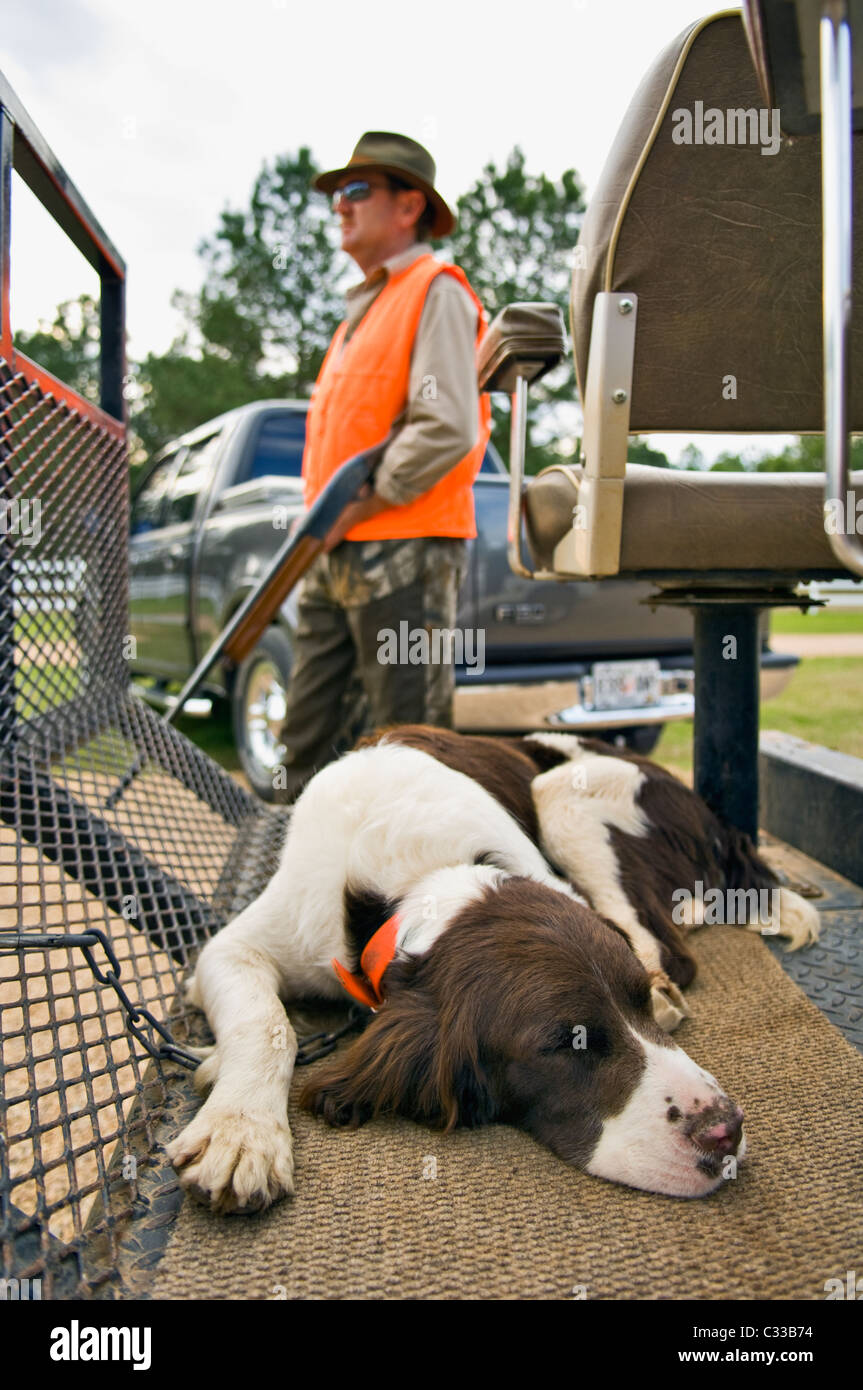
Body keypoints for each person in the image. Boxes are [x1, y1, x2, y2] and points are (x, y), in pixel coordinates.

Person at [275, 131, 491, 800]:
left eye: (357, 190)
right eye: (338, 194)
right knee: (305, 739)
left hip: (403, 548)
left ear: (408, 207)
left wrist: (365, 504)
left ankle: (418, 901)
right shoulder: (355, 317)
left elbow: (450, 425)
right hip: (334, 551)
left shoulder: (436, 289)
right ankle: (296, 885)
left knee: (409, 751)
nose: (340, 205)